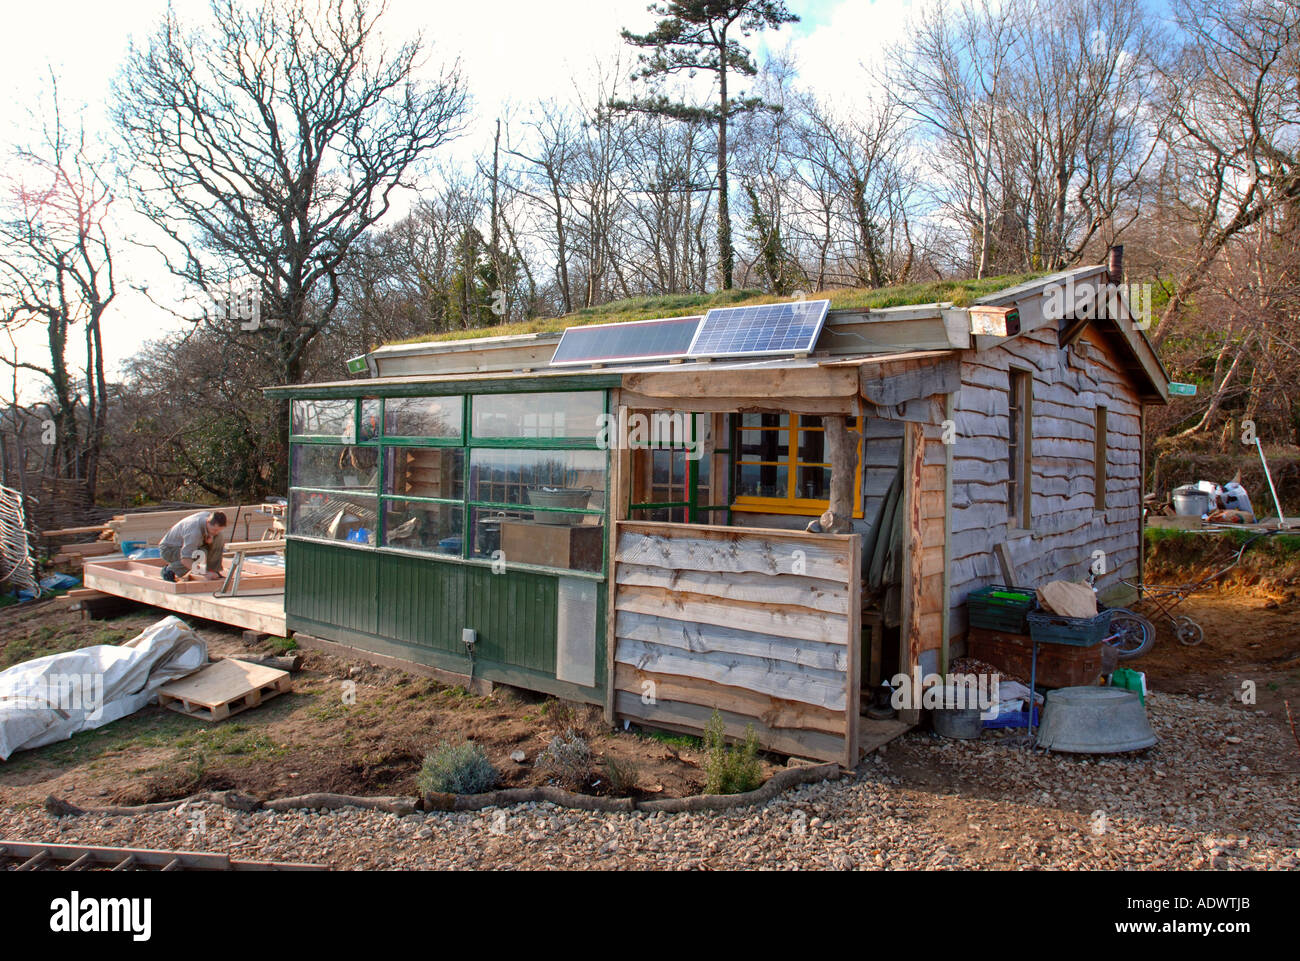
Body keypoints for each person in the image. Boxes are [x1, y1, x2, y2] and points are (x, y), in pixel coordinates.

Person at [158, 510, 228, 582]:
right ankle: (170, 570)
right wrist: (205, 573)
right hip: (169, 550)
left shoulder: (209, 517)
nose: (216, 532)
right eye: (214, 530)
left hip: (185, 545)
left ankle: (214, 570)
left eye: (218, 530)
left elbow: (213, 533)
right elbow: (185, 559)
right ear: (207, 522)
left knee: (218, 537)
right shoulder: (193, 532)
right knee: (199, 554)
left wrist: (210, 535)